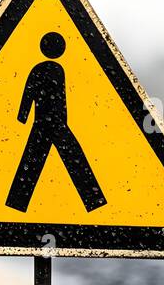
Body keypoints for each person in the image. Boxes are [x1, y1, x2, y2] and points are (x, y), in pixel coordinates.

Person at [6, 31, 107, 213]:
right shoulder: (54, 70)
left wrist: (23, 116)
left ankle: (16, 204)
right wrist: (23, 116)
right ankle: (94, 201)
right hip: (54, 123)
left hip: (46, 123)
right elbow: (43, 95)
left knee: (36, 161)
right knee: (71, 158)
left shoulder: (42, 69)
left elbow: (30, 92)